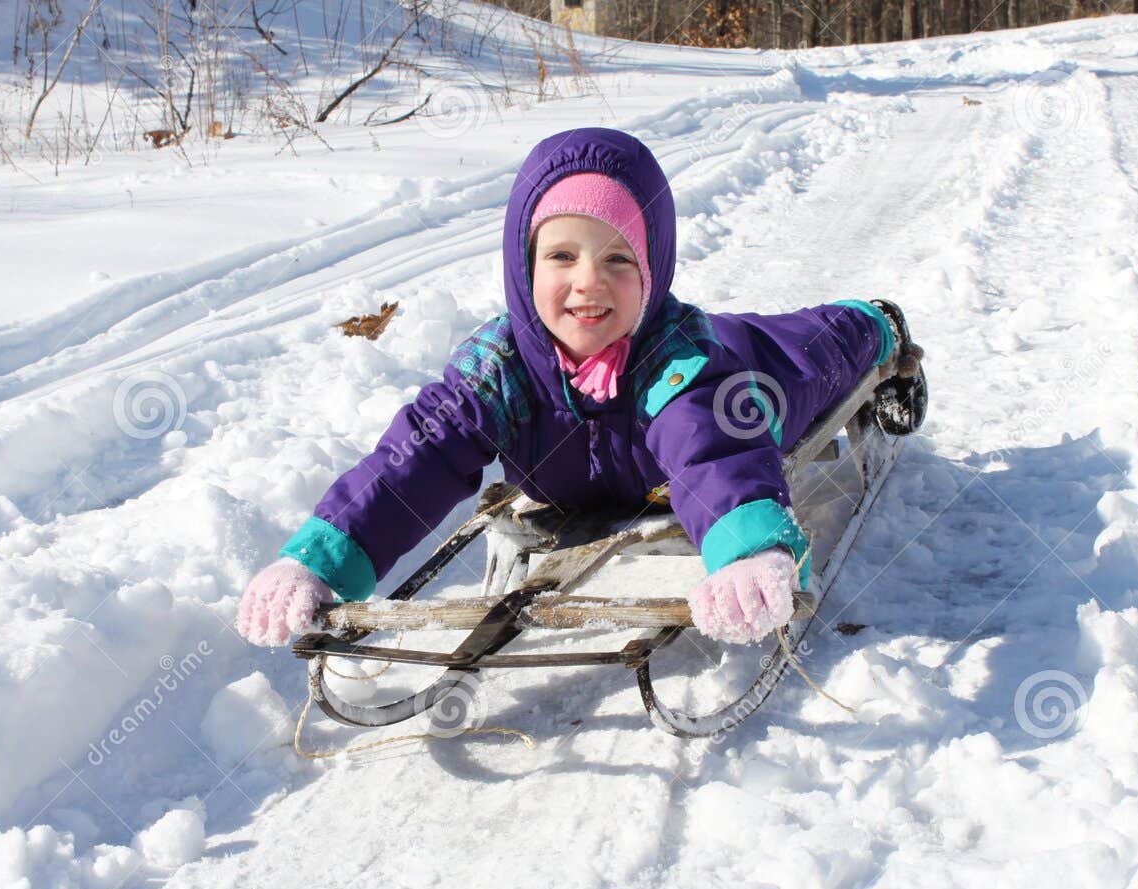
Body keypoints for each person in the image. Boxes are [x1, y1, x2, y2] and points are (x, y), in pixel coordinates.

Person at [237, 127, 922, 649]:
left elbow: (713, 447)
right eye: (562, 256)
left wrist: (748, 548)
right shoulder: (499, 370)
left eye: (618, 259)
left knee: (809, 352)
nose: (589, 281)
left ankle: (875, 322)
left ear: (653, 273)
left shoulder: (680, 362)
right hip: (614, 463)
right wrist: (317, 560)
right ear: (524, 265)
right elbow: (412, 460)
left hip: (742, 376)